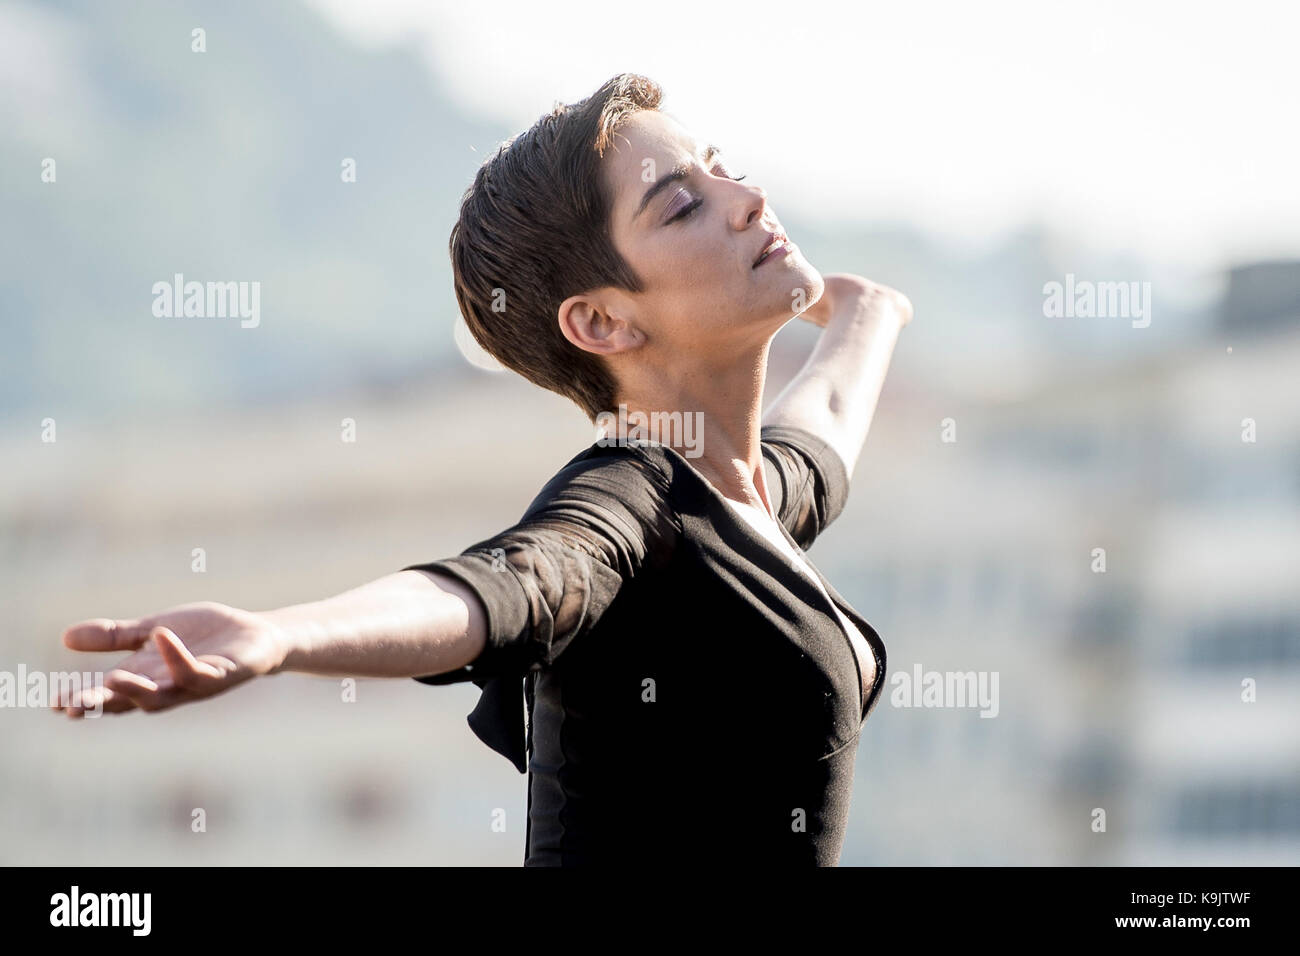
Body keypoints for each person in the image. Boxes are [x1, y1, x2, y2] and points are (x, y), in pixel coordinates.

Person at [52, 73, 913, 866]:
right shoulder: (629, 506)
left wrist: (867, 313)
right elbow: (500, 588)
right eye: (684, 204)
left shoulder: (746, 498)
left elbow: (821, 433)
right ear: (603, 323)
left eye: (722, 169)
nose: (748, 198)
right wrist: (284, 638)